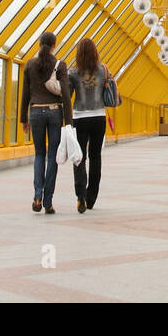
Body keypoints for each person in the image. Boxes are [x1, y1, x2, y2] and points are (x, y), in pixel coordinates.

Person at [20, 31, 71, 214]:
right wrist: (69, 121)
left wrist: (23, 119)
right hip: (54, 113)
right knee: (52, 157)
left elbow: (25, 93)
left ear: (39, 43)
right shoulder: (60, 65)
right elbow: (65, 94)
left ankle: (37, 195)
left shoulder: (30, 64)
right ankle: (48, 202)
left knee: (39, 154)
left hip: (35, 112)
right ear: (54, 45)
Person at [68, 37, 110, 214]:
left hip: (79, 117)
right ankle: (91, 197)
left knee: (80, 157)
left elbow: (67, 95)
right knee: (95, 157)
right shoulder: (103, 70)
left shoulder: (73, 72)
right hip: (99, 116)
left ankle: (80, 196)